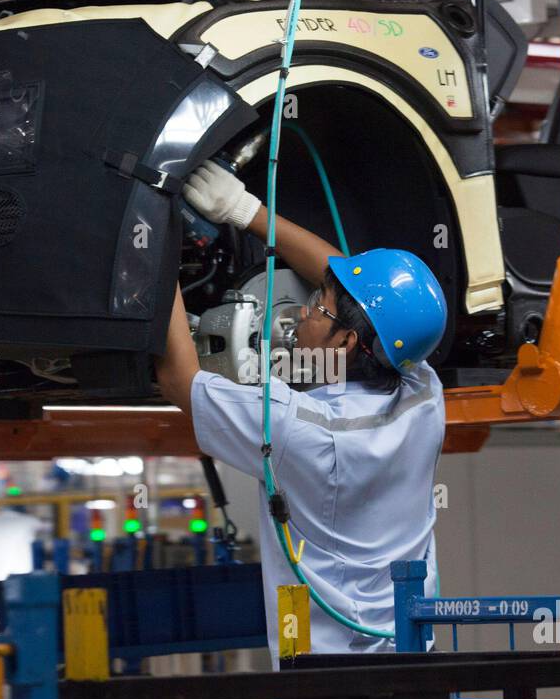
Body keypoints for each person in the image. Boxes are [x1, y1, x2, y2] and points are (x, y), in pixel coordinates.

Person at [155, 160, 447, 663]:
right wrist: (244, 210)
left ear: (351, 341)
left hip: (328, 671)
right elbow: (352, 284)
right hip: (413, 654)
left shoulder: (294, 427)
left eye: (320, 306)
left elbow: (178, 380)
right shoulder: (422, 395)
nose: (308, 306)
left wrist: (153, 245)